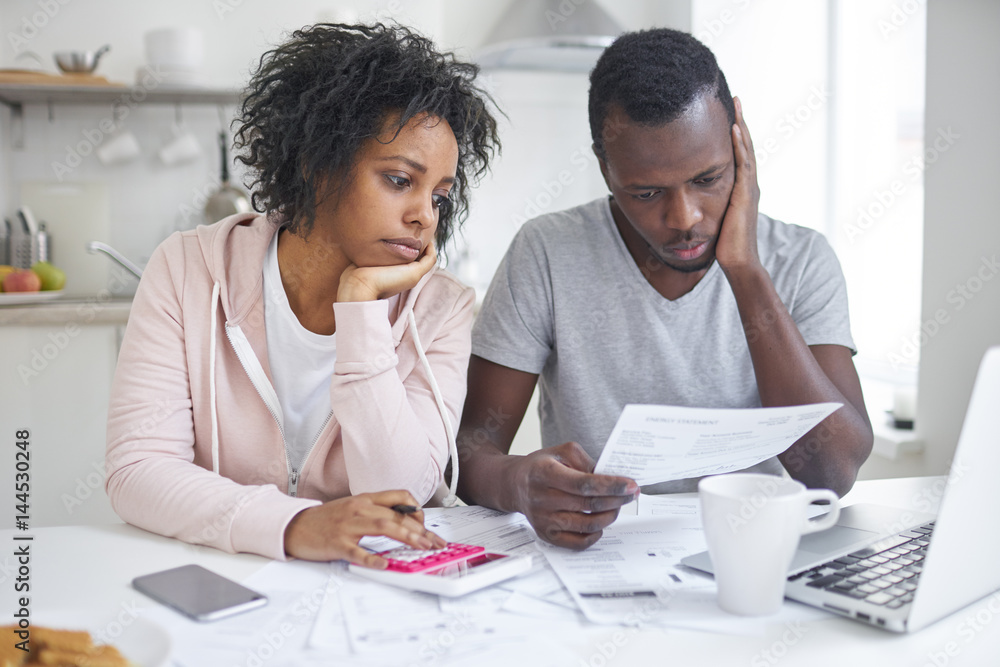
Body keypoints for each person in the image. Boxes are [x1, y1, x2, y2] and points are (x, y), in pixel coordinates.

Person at [456, 28, 873, 549]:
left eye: (708, 178)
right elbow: (470, 453)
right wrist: (519, 482)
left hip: (747, 555)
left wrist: (745, 272)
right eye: (646, 192)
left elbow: (831, 475)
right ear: (605, 167)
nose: (685, 219)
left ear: (740, 145)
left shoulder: (803, 261)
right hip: (595, 560)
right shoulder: (546, 252)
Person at [105, 23, 499, 566]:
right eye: (400, 181)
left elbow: (402, 491)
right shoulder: (187, 268)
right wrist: (293, 525)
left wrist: (360, 307)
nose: (424, 216)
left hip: (368, 587)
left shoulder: (441, 308)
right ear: (318, 166)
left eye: (439, 195)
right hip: (221, 574)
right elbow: (138, 470)